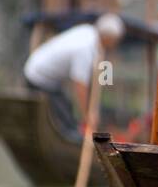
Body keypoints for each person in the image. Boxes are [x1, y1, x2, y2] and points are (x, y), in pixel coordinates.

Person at [23, 13, 124, 142]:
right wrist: (89, 116)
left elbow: (97, 76)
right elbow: (80, 86)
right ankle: (72, 143)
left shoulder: (89, 32)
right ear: (108, 37)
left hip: (49, 78)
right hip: (39, 77)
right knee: (64, 121)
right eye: (115, 40)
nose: (115, 44)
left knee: (67, 108)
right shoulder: (85, 49)